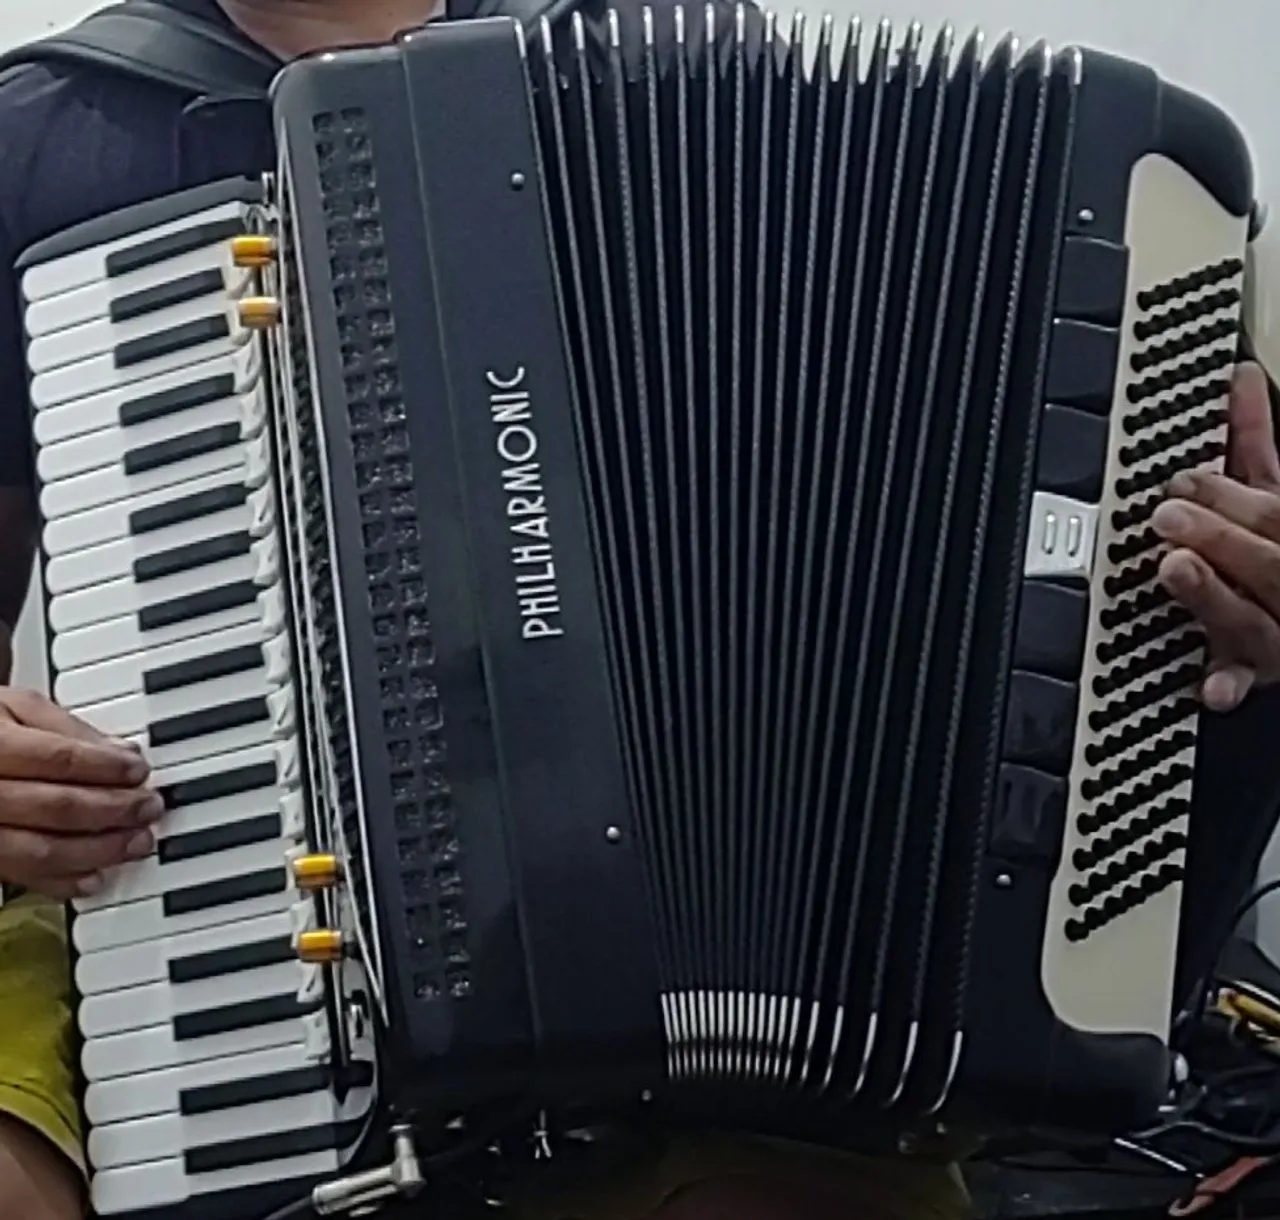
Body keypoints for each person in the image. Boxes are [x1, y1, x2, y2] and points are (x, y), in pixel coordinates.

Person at [0, 3, 1277, 1218]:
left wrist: (1216, 597)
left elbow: (930, 504)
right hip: (252, 988)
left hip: (745, 1091)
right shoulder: (49, 138)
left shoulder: (671, 56)